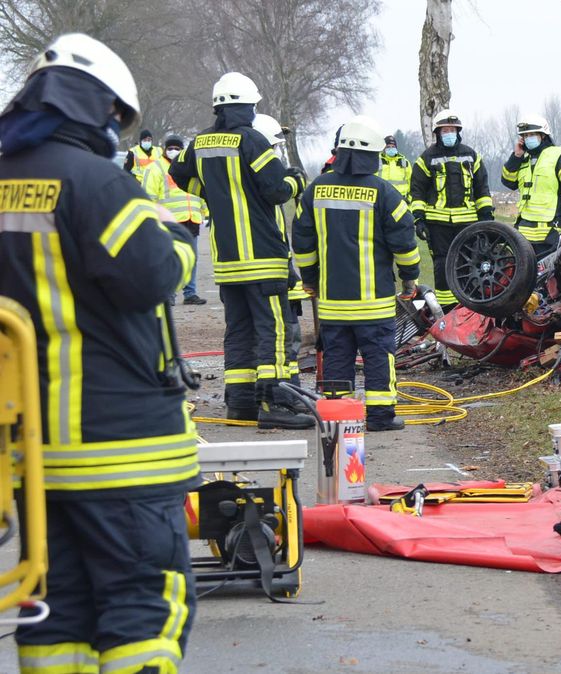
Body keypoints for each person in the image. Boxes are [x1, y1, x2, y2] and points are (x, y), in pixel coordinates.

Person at [0, 33, 199, 673]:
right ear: (98, 108)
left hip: (32, 456)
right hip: (121, 452)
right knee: (145, 613)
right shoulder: (95, 183)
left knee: (57, 621)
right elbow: (152, 274)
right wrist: (179, 238)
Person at [170, 71, 314, 429]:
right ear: (248, 106)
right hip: (263, 258)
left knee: (238, 331)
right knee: (274, 330)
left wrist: (211, 194)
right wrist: (296, 180)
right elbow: (276, 190)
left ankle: (241, 402)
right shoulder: (251, 141)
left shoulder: (201, 142)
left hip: (228, 262)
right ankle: (275, 402)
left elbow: (178, 172)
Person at [292, 115, 421, 432]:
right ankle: (379, 417)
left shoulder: (315, 190)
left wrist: (309, 278)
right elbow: (405, 243)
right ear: (372, 155)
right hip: (373, 301)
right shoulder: (385, 193)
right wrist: (409, 278)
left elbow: (303, 242)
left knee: (337, 356)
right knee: (378, 357)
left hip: (333, 301)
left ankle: (338, 417)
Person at [410, 109, 494, 310]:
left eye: (453, 129)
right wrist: (419, 219)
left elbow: (482, 188)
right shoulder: (426, 159)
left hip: (468, 223)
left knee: (470, 263)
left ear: (458, 131)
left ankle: (469, 307)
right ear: (438, 133)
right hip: (437, 225)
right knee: (442, 266)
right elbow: (417, 191)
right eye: (445, 130)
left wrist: (486, 217)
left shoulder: (472, 155)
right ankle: (448, 311)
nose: (449, 133)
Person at [251, 112, 305, 384]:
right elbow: (279, 193)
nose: (276, 155)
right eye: (273, 148)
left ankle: (275, 386)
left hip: (266, 265)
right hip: (270, 267)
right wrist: (295, 183)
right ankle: (284, 388)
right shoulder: (267, 184)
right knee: (280, 331)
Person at [500, 113, 561, 258]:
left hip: (550, 230)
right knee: (524, 275)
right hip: (525, 231)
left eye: (532, 135)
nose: (528, 139)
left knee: (551, 275)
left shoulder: (557, 156)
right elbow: (508, 181)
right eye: (525, 136)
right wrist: (516, 156)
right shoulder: (522, 159)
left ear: (543, 136)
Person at [143, 133, 208, 305]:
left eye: (177, 149)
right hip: (168, 221)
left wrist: (206, 211)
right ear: (164, 149)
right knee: (169, 258)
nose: (173, 151)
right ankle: (168, 294)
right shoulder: (155, 168)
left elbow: (200, 192)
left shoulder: (189, 167)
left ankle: (190, 293)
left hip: (191, 219)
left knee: (192, 258)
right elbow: (148, 195)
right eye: (170, 148)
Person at [378, 134, 412, 200]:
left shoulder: (405, 162)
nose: (391, 149)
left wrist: (409, 199)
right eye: (388, 147)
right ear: (383, 148)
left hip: (402, 199)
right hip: (383, 199)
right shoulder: (377, 162)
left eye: (393, 146)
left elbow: (412, 182)